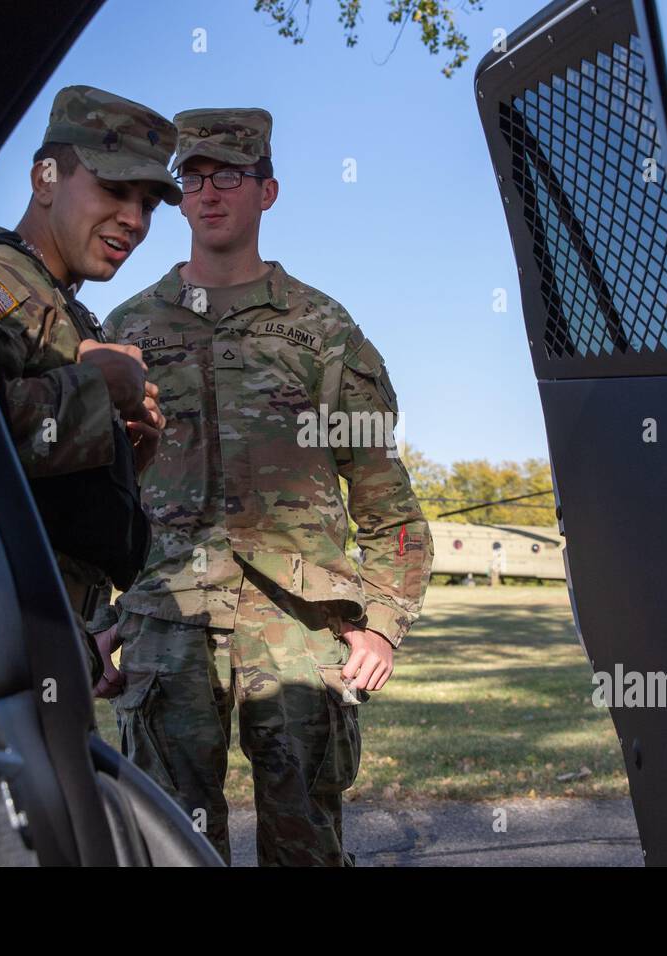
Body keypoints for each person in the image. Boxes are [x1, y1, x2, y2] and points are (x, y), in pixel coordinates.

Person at [101, 108, 433, 865]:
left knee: (305, 846)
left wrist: (382, 620)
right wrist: (95, 613)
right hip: (166, 623)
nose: (209, 192)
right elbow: (95, 491)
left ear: (267, 191)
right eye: (193, 177)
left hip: (301, 630)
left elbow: (384, 495)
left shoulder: (322, 328)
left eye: (230, 175)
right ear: (179, 197)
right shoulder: (127, 327)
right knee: (170, 846)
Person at [0, 85, 179, 693]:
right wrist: (98, 390)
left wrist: (125, 450)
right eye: (114, 189)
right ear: (45, 179)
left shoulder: (62, 305)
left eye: (148, 203)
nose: (135, 220)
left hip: (42, 640)